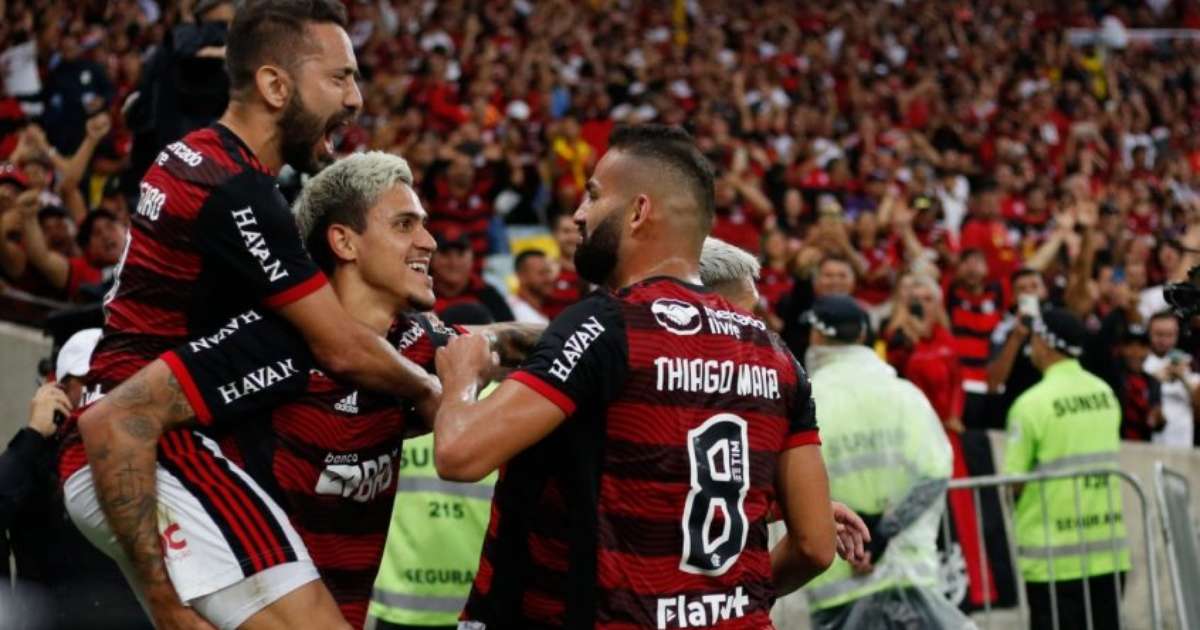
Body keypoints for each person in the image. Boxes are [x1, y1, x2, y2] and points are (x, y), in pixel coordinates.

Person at [60, 2, 441, 629]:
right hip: (147, 446)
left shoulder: (192, 156)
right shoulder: (238, 191)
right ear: (274, 85)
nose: (356, 98)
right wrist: (429, 389)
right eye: (340, 78)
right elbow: (341, 346)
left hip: (133, 434)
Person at [433, 125, 836, 628]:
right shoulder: (777, 354)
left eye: (593, 197)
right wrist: (739, 599)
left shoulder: (605, 323)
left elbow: (459, 452)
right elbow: (817, 547)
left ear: (638, 212)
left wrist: (461, 376)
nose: (579, 214)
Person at [211, 152, 539, 628]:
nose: (428, 241)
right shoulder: (266, 345)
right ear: (344, 242)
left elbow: (509, 341)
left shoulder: (416, 341)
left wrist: (605, 333)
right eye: (405, 225)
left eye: (424, 224)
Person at [796, 296, 962, 629]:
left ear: (816, 336)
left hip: (839, 585)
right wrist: (882, 533)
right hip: (910, 575)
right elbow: (936, 474)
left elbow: (793, 487)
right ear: (862, 337)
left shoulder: (805, 402)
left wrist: (861, 538)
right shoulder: (906, 394)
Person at [0, 328, 151, 630]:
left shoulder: (156, 455)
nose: (107, 394)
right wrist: (31, 438)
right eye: (94, 382)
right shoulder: (34, 462)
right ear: (56, 390)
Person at [1003, 308, 1130, 630]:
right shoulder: (1105, 394)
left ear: (1045, 342)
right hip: (1108, 553)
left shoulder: (1031, 404)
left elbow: (1012, 483)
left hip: (1052, 560)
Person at [947, 248, 1005, 429]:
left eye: (977, 262)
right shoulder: (950, 295)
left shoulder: (997, 294)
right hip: (961, 384)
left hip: (990, 384)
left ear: (988, 269)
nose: (972, 268)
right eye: (966, 262)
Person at [987, 268, 1050, 426]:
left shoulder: (1059, 323)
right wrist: (1016, 337)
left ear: (1045, 291)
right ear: (1014, 298)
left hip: (1052, 409)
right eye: (1022, 289)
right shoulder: (1003, 330)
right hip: (1018, 411)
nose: (1029, 292)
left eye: (1034, 286)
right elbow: (994, 384)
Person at [1142, 311, 1200, 448]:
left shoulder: (1189, 362)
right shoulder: (1141, 361)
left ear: (1177, 334)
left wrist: (1183, 378)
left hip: (1183, 439)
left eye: (1169, 335)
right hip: (1150, 439)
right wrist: (1156, 379)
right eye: (1159, 334)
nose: (1164, 340)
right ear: (1149, 333)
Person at [543, 212, 583, 319]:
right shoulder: (544, 270)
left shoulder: (596, 272)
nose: (573, 237)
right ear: (554, 234)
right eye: (566, 231)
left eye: (578, 231)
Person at [506, 249, 553, 324]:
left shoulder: (556, 306)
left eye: (548, 272)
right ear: (521, 276)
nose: (548, 279)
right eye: (541, 273)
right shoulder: (509, 311)